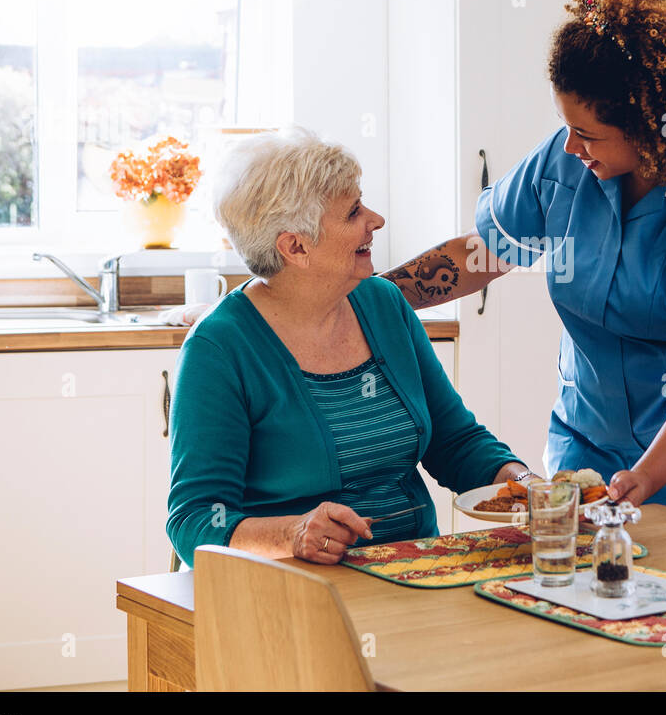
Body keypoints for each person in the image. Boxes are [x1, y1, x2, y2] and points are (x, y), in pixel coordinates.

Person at [383, 0, 666, 527]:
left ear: (651, 128)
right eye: (565, 126)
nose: (571, 145)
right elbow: (481, 255)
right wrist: (371, 299)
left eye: (589, 134)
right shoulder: (566, 161)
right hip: (588, 454)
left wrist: (642, 479)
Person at [167, 127, 538, 568]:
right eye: (353, 212)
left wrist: (526, 484)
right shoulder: (220, 348)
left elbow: (454, 442)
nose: (376, 220)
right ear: (296, 246)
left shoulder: (383, 304)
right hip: (293, 591)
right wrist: (294, 533)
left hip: (413, 571)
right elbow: (194, 519)